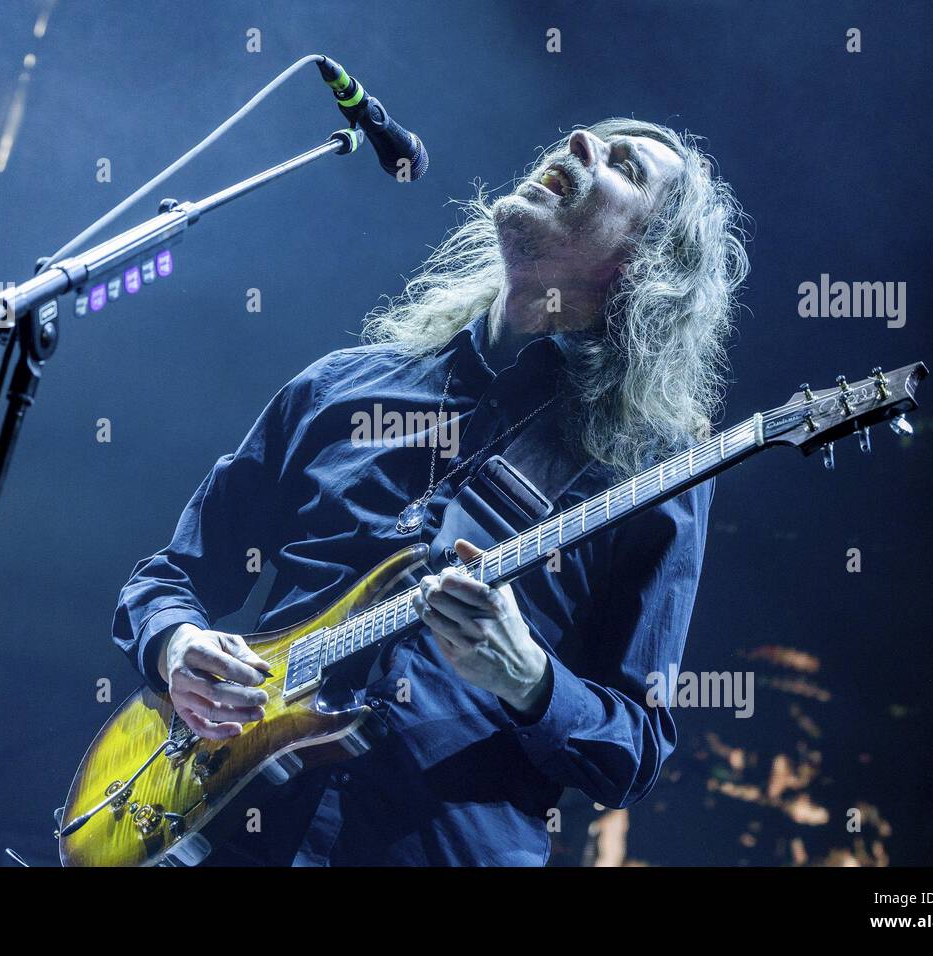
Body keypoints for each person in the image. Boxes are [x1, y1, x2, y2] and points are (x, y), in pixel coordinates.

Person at [113, 118, 748, 865]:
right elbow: (171, 577)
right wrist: (177, 645)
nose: (580, 140)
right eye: (589, 137)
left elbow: (633, 750)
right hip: (232, 836)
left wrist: (531, 679)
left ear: (648, 267)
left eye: (625, 166)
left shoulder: (643, 468)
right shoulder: (338, 388)